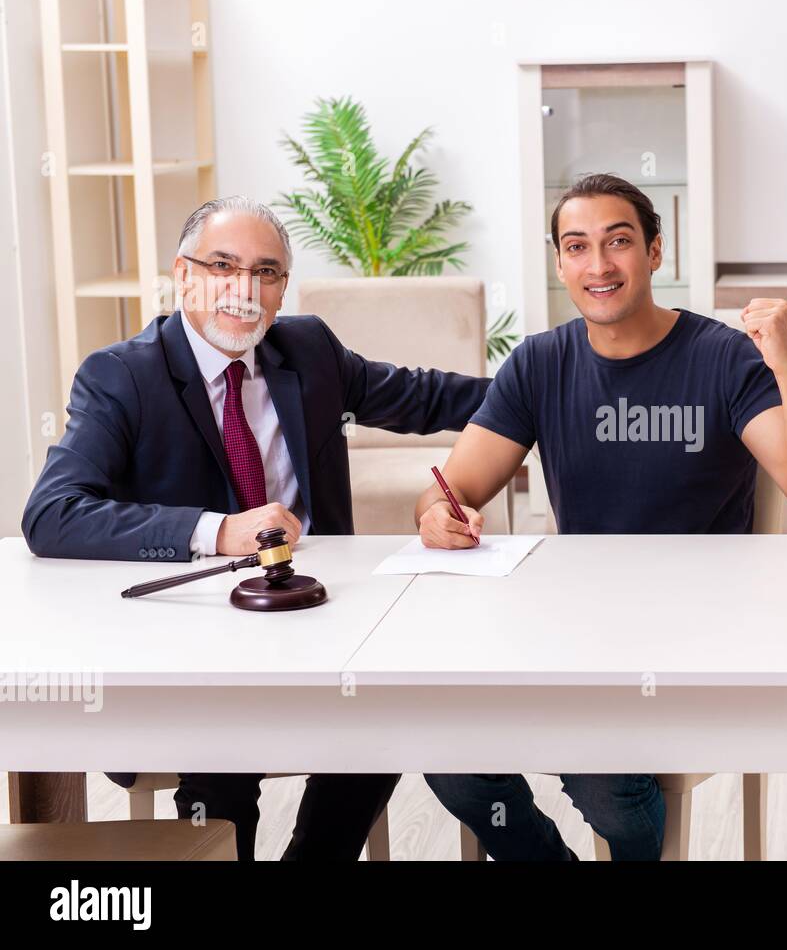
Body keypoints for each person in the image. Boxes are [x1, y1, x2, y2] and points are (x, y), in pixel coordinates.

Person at [22, 195, 490, 859]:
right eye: (223, 265)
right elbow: (52, 512)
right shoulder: (122, 376)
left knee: (386, 717)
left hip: (319, 623)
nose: (246, 289)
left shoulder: (309, 348)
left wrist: (548, 381)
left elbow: (424, 396)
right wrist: (220, 530)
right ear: (184, 276)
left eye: (267, 272)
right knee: (221, 767)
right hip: (192, 649)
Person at [415, 173, 787, 859]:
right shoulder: (539, 362)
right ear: (560, 263)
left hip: (698, 634)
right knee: (448, 752)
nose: (599, 265)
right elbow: (454, 486)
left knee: (602, 769)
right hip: (576, 631)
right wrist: (439, 513)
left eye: (618, 242)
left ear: (654, 252)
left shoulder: (723, 357)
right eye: (578, 246)